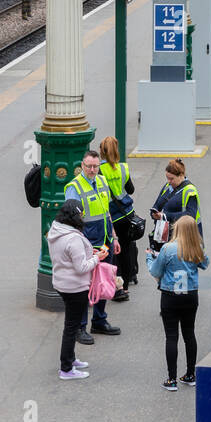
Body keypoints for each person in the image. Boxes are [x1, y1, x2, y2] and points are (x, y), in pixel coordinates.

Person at [46, 199, 107, 380]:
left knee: (70, 325)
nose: (83, 217)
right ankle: (66, 368)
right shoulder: (73, 239)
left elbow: (69, 259)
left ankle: (71, 359)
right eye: (81, 214)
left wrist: (91, 254)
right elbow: (81, 267)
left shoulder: (56, 231)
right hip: (75, 287)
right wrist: (98, 258)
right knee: (71, 327)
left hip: (62, 283)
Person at [147, 215, 209, 391]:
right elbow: (205, 264)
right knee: (189, 334)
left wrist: (150, 258)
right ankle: (190, 374)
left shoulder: (168, 248)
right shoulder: (196, 248)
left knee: (171, 336)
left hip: (170, 296)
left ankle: (171, 379)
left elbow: (155, 270)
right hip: (190, 295)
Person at [64, 150, 120, 341]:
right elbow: (72, 219)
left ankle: (99, 320)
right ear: (82, 165)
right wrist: (83, 245)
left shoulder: (102, 181)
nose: (92, 169)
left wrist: (114, 236)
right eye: (88, 166)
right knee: (84, 286)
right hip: (88, 244)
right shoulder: (74, 187)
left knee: (104, 279)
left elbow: (107, 213)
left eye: (95, 166)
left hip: (105, 241)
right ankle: (80, 327)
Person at [98, 136, 138, 302]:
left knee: (112, 252)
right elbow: (131, 189)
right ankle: (126, 286)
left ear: (102, 151)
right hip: (127, 215)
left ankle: (117, 285)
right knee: (127, 250)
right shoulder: (123, 168)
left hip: (111, 217)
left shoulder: (99, 169)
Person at [150, 158, 203, 240]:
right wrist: (154, 212)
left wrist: (165, 216)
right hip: (166, 234)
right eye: (167, 178)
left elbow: (190, 215)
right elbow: (157, 204)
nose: (168, 181)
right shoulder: (167, 187)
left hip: (184, 236)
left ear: (181, 175)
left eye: (171, 179)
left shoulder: (190, 191)